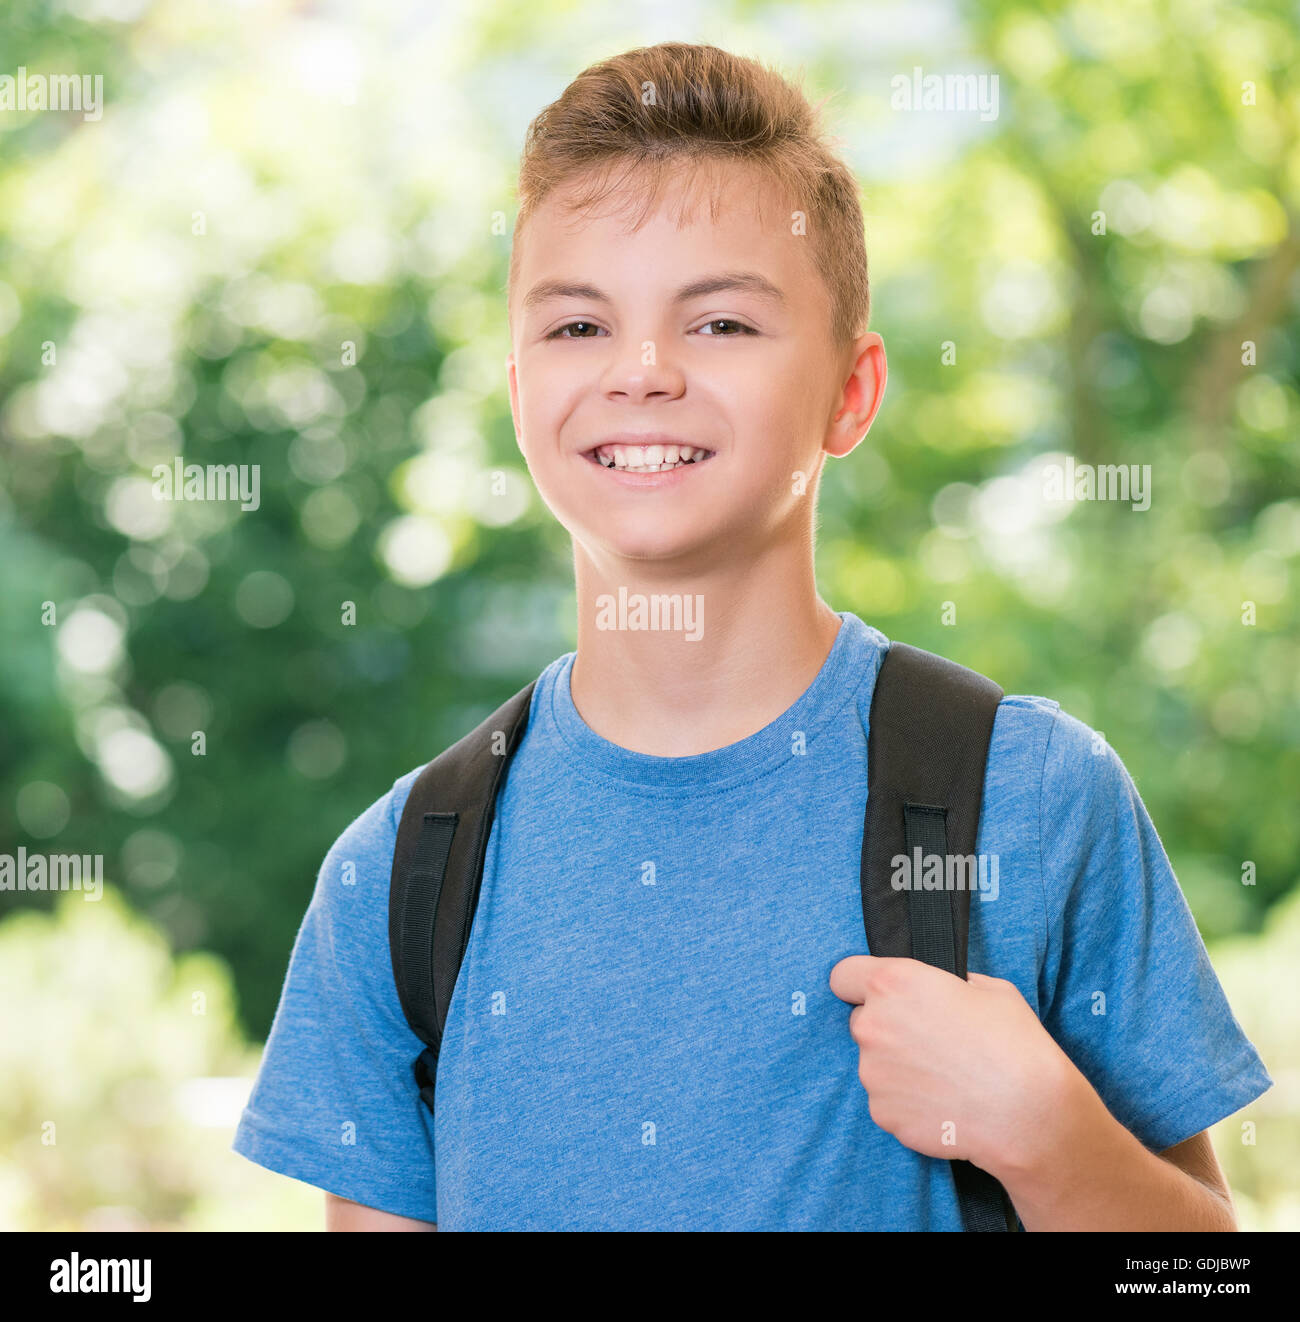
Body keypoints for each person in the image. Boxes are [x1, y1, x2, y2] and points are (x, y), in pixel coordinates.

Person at [232, 41, 1272, 1231]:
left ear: (851, 390)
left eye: (719, 322)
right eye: (578, 327)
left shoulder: (1031, 799)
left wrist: (1048, 1135)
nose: (641, 372)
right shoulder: (403, 873)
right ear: (519, 392)